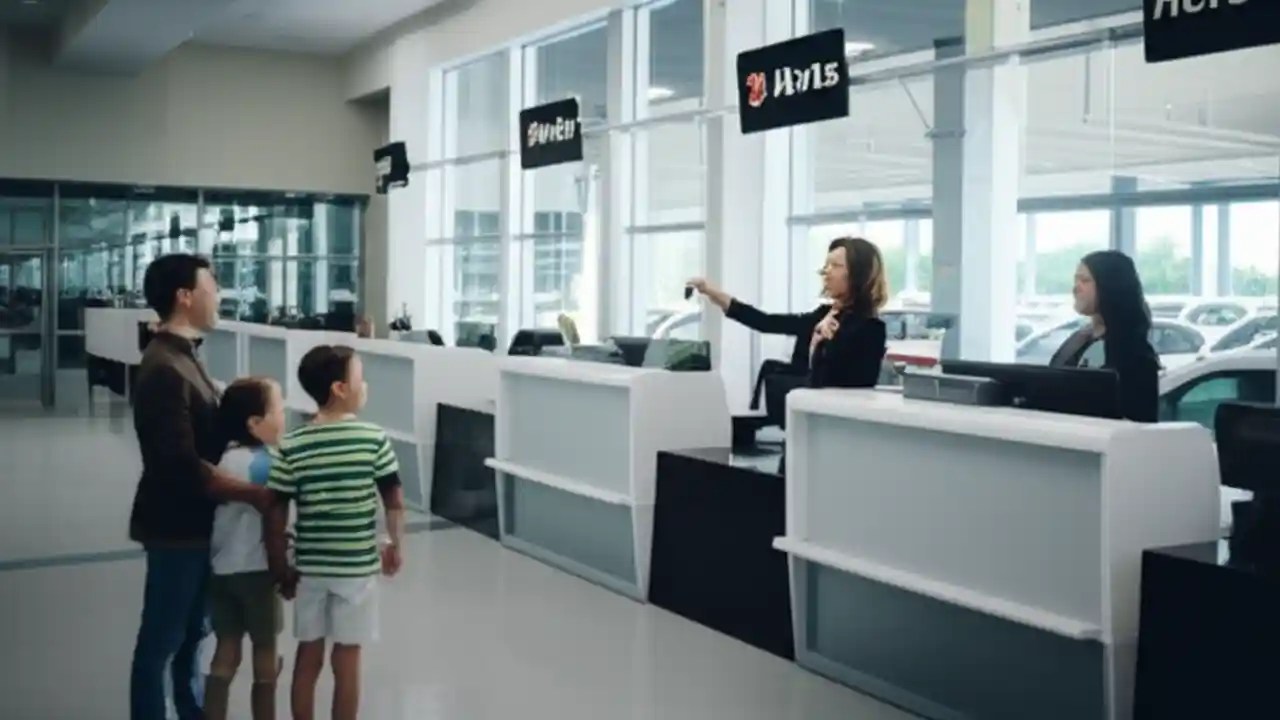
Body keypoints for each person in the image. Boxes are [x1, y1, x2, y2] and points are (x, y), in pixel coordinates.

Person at [129, 254, 272, 720]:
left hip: (196, 523)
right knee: (162, 640)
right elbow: (180, 464)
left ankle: (191, 711)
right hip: (175, 526)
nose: (220, 295)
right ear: (185, 296)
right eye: (212, 287)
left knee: (192, 634)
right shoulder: (165, 367)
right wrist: (256, 495)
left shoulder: (184, 357)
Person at [265, 345, 406, 720]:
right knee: (347, 657)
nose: (366, 386)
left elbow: (276, 510)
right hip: (355, 568)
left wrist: (280, 565)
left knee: (308, 654)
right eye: (361, 378)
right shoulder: (373, 438)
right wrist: (395, 545)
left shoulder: (292, 444)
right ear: (340, 388)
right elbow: (393, 500)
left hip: (310, 567)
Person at [689, 236, 889, 389]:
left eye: (835, 266)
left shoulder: (870, 328)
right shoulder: (823, 314)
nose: (826, 272)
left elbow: (845, 385)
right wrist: (710, 291)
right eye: (826, 265)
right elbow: (766, 322)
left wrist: (820, 343)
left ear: (858, 274)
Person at [205, 378, 288, 720]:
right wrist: (284, 570)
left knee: (226, 649)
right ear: (254, 423)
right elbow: (275, 527)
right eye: (279, 409)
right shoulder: (266, 464)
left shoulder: (224, 461)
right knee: (266, 654)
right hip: (258, 573)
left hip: (222, 571)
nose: (284, 417)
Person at [1049, 249, 1160, 422]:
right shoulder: (1079, 340)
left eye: (1085, 280)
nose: (1076, 288)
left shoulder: (1134, 354)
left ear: (1109, 286)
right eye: (1076, 280)